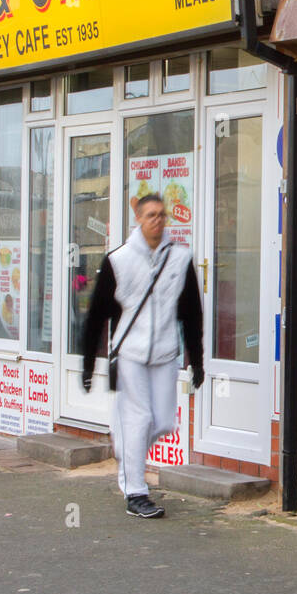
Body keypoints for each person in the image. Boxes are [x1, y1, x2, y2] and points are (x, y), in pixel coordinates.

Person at [80, 194, 204, 518]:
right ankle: (136, 492)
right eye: (151, 214)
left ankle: (123, 440)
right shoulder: (119, 260)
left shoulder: (180, 259)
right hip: (130, 353)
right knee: (140, 418)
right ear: (138, 217)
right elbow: (96, 316)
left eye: (162, 215)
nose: (158, 220)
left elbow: (191, 313)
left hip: (165, 353)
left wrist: (197, 360)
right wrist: (87, 364)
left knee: (163, 422)